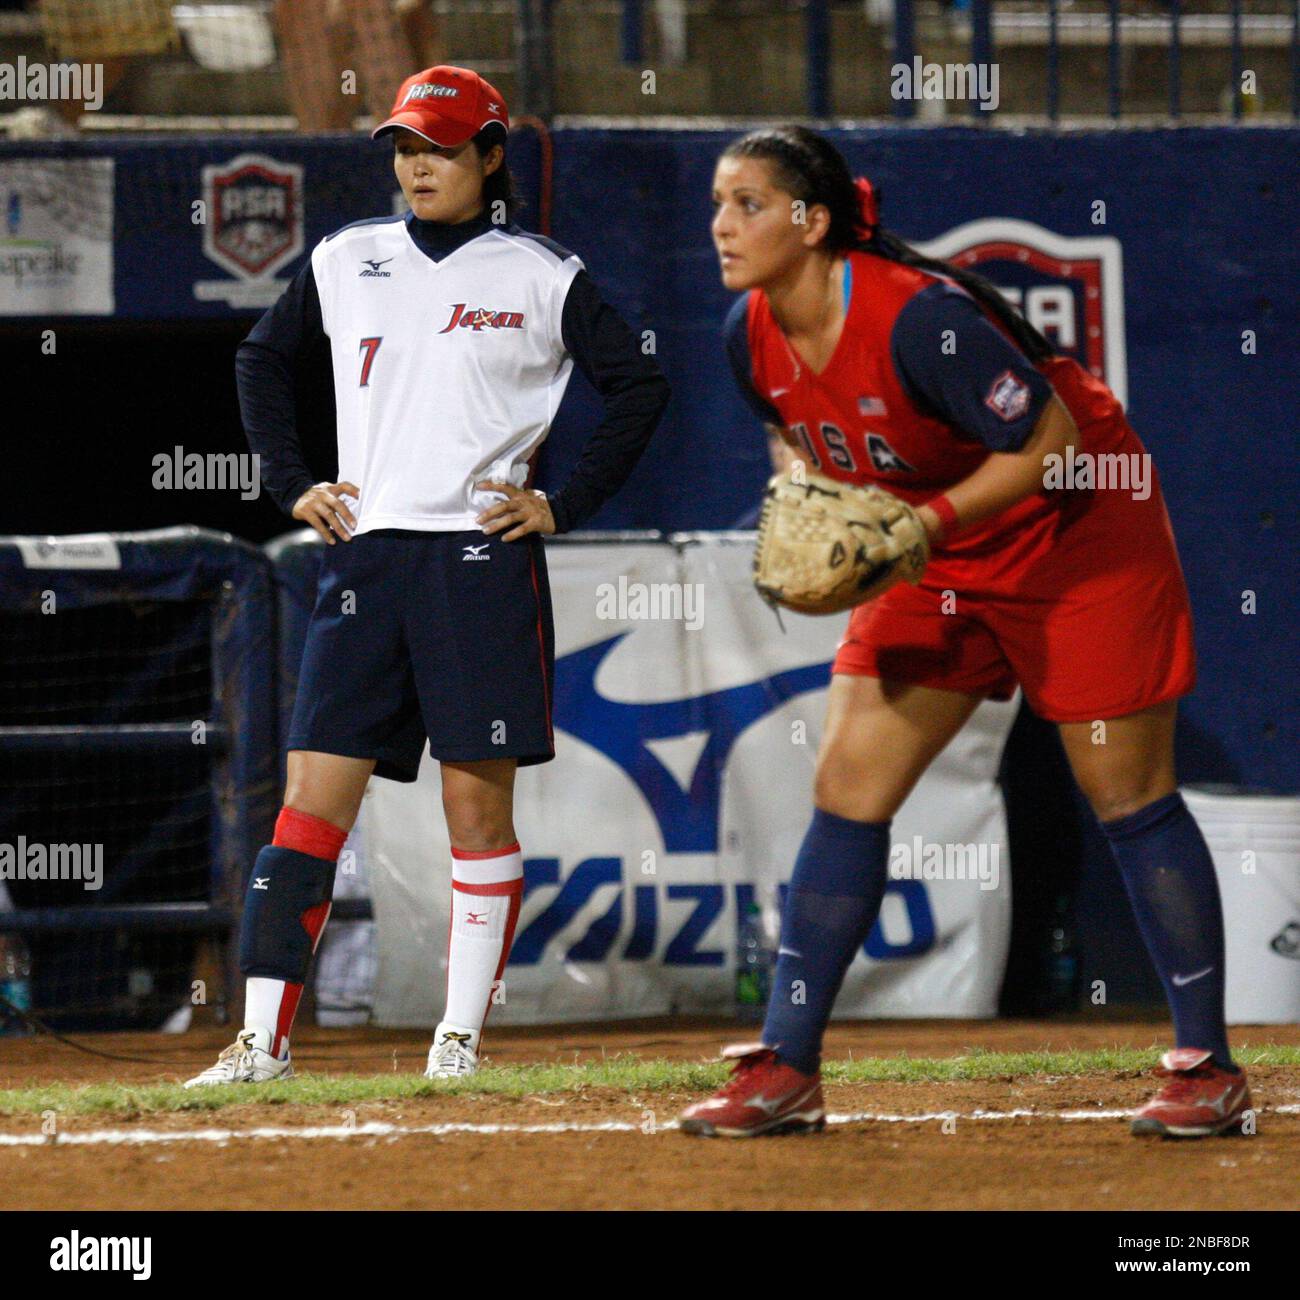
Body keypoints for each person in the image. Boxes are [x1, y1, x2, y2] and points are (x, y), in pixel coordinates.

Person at [680, 124, 1249, 1140]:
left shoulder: (916, 321)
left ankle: (1204, 1066)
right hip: (932, 536)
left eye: (748, 204)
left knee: (1124, 790)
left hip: (1074, 525)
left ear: (812, 223)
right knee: (847, 784)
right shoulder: (747, 333)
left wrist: (916, 527)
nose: (722, 224)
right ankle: (786, 1065)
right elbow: (794, 432)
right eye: (719, 203)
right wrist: (819, 511)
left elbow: (1050, 439)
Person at [186, 64, 669, 1086]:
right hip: (365, 559)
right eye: (405, 147)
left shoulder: (543, 274)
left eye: (440, 148)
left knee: (476, 816)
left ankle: (457, 1039)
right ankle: (259, 1041)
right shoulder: (346, 257)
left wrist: (561, 503)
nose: (417, 165)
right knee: (308, 804)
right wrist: (289, 481)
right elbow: (258, 362)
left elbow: (639, 383)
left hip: (478, 562)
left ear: (490, 157)